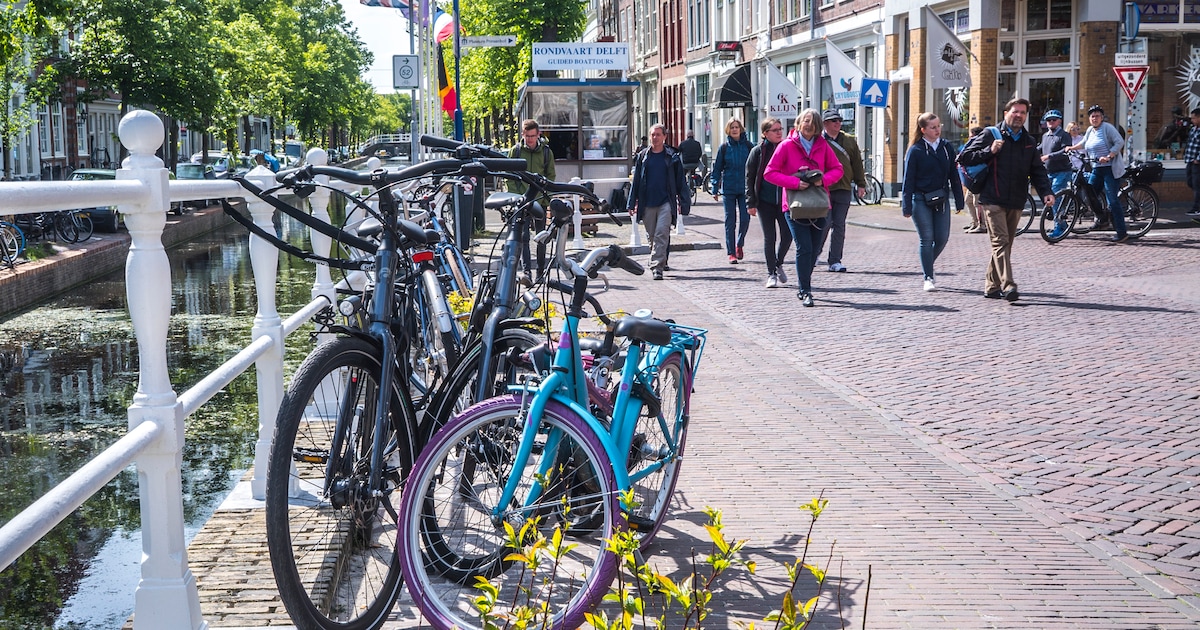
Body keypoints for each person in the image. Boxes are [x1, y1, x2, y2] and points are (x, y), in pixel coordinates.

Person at [959, 98, 1054, 301]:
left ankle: (991, 286)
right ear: (1005, 113)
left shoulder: (1029, 142)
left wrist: (1046, 191)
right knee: (1001, 242)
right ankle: (1008, 285)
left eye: (1022, 113)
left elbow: (1037, 170)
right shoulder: (990, 134)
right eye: (1015, 111)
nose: (1018, 115)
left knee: (1005, 245)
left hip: (1017, 200)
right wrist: (989, 151)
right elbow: (964, 157)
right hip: (993, 199)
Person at [764, 108, 843, 307]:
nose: (808, 125)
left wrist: (823, 180)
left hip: (818, 205)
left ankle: (804, 283)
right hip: (794, 206)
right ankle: (805, 290)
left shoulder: (823, 145)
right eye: (805, 121)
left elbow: (838, 169)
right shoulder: (786, 146)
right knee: (804, 247)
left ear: (817, 126)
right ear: (799, 123)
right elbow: (770, 173)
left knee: (815, 248)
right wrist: (793, 182)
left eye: (812, 122)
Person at [900, 113, 965, 292]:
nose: (937, 130)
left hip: (941, 199)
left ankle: (926, 261)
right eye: (933, 127)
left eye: (939, 126)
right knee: (926, 239)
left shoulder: (946, 147)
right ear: (923, 130)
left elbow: (954, 174)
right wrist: (906, 205)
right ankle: (928, 276)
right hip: (920, 199)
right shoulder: (916, 150)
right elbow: (908, 180)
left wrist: (960, 200)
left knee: (942, 238)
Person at [627, 123, 689, 280]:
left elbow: (680, 181)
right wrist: (631, 202)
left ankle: (657, 267)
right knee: (652, 235)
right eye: (652, 135)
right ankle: (660, 259)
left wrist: (683, 201)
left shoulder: (672, 157)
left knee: (662, 232)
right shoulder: (642, 157)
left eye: (658, 135)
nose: (655, 138)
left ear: (664, 137)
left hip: (665, 201)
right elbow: (636, 183)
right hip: (647, 202)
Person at [1065, 105, 1127, 242]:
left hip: (1110, 169)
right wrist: (1071, 147)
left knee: (1112, 200)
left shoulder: (1107, 128)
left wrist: (1109, 156)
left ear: (1102, 117)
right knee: (1090, 194)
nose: (1095, 118)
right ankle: (1102, 220)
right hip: (1097, 168)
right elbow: (1084, 143)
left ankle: (1122, 232)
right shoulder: (1090, 130)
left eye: (1097, 116)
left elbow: (1119, 142)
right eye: (1092, 116)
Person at [816, 109, 866, 272]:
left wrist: (861, 183)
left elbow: (857, 163)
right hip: (824, 189)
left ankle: (835, 260)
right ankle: (815, 253)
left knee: (839, 225)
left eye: (839, 120)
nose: (837, 123)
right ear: (825, 124)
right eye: (833, 121)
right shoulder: (818, 140)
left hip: (844, 187)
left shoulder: (850, 141)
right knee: (823, 223)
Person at [745, 117, 790, 288]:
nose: (779, 132)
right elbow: (749, 178)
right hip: (764, 201)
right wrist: (751, 203)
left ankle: (778, 263)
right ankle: (771, 273)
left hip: (785, 200)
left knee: (788, 235)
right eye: (775, 130)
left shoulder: (787, 148)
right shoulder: (757, 152)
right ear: (765, 134)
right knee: (769, 237)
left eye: (780, 129)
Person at [508, 119, 557, 275]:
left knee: (541, 237)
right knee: (523, 237)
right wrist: (517, 197)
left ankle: (541, 271)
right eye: (526, 135)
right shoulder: (515, 151)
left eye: (532, 136)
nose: (529, 139)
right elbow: (509, 176)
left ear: (538, 135)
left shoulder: (546, 152)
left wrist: (545, 197)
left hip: (539, 201)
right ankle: (527, 272)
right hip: (522, 202)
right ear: (522, 134)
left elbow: (551, 176)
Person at [710, 119, 754, 264]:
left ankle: (739, 244)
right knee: (730, 220)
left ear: (741, 129)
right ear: (728, 130)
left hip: (744, 188)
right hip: (728, 188)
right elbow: (717, 170)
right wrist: (715, 188)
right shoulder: (724, 148)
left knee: (745, 218)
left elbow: (755, 169)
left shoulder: (748, 146)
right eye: (732, 127)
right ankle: (731, 253)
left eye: (737, 127)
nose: (735, 130)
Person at [1039, 110, 1074, 239]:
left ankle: (1058, 227)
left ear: (1059, 121)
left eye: (1054, 120)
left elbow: (1065, 151)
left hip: (1062, 171)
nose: (1051, 122)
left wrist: (1049, 156)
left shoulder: (1064, 135)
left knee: (1055, 198)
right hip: (1049, 172)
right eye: (1048, 120)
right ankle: (1063, 224)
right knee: (1050, 197)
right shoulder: (1045, 136)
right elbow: (1040, 148)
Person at [962, 126, 988, 234]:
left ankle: (982, 225)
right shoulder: (972, 145)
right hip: (971, 178)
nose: (970, 138)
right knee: (968, 200)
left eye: (972, 136)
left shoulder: (981, 146)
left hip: (978, 178)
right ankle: (975, 222)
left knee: (977, 202)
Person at [1183, 107, 1200, 218]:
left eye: (1194, 118)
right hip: (1190, 159)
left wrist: (1198, 159)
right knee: (1190, 182)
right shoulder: (1193, 129)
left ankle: (1196, 208)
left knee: (1197, 185)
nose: (1192, 120)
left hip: (1197, 162)